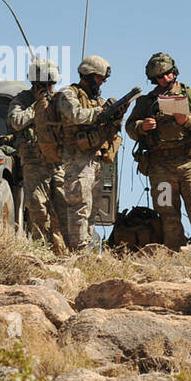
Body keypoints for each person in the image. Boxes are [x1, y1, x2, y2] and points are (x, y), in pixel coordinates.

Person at [125, 52, 191, 250]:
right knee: (167, 211)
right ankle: (174, 251)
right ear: (153, 79)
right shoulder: (146, 101)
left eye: (168, 74)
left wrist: (188, 120)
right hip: (160, 167)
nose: (165, 79)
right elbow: (130, 127)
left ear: (174, 72)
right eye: (160, 76)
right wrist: (142, 126)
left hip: (189, 163)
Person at [57, 54, 124, 250]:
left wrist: (116, 114)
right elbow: (76, 115)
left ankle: (86, 248)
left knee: (93, 209)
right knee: (79, 207)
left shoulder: (97, 100)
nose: (102, 82)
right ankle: (78, 252)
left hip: (95, 160)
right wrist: (101, 112)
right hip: (76, 159)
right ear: (88, 75)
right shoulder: (68, 94)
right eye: (99, 78)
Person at [6, 57, 67, 252]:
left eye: (52, 85)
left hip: (58, 161)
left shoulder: (59, 100)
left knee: (62, 207)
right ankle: (41, 250)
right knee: (37, 206)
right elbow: (15, 121)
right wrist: (37, 107)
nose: (49, 89)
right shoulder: (23, 100)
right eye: (44, 85)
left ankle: (62, 252)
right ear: (35, 84)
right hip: (33, 160)